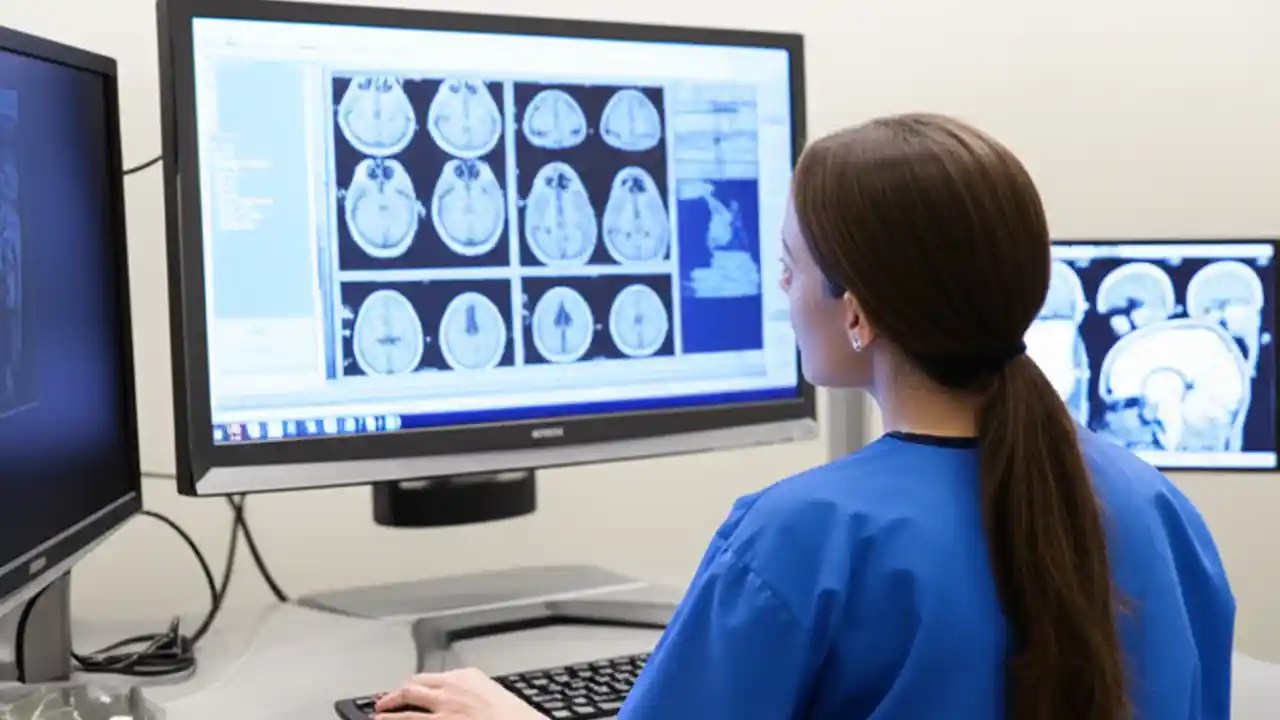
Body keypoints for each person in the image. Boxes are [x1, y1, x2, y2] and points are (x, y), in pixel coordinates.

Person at [373, 114, 1236, 719]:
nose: (781, 290)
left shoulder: (803, 538)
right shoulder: (1154, 504)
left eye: (788, 266)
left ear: (857, 314)